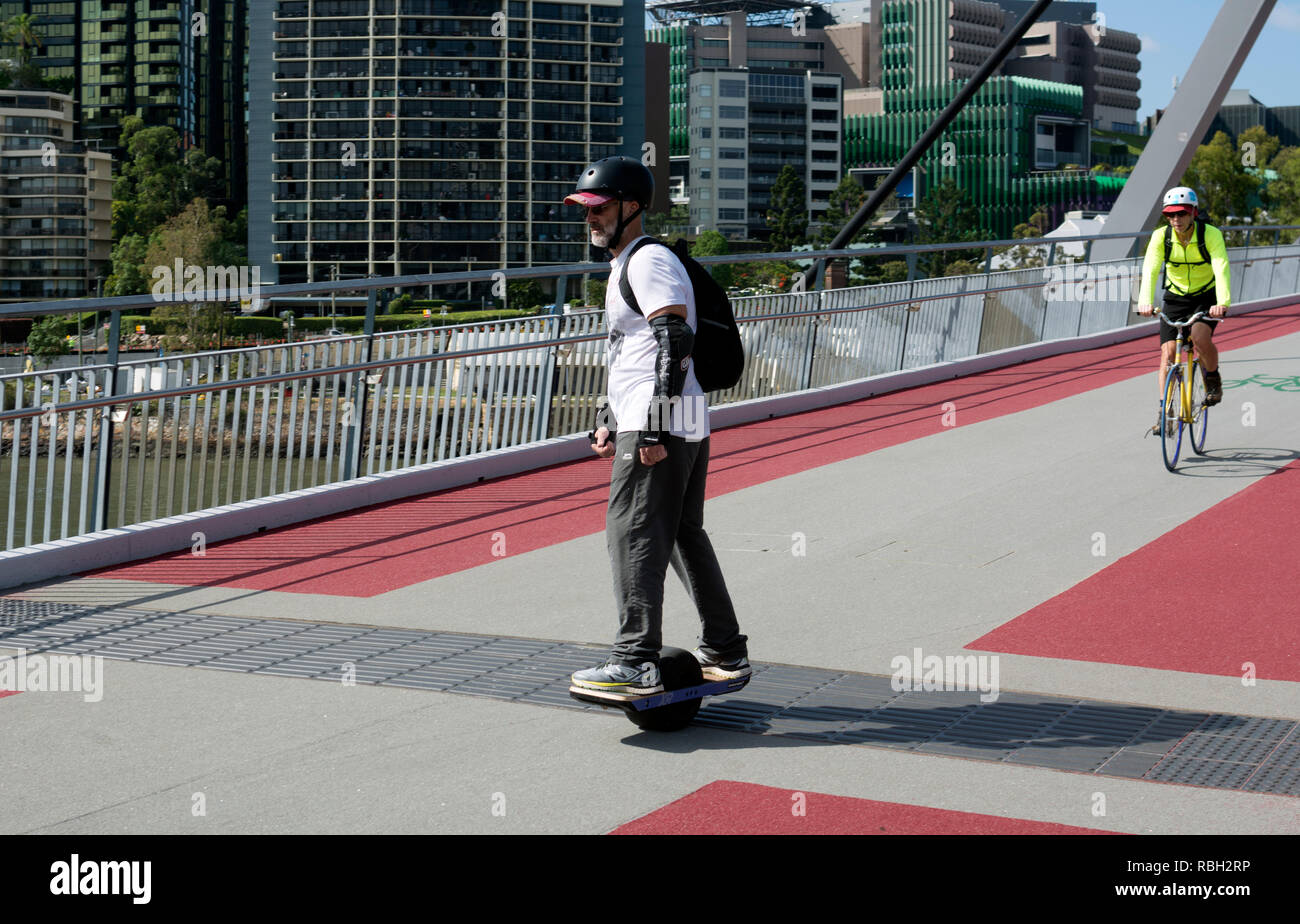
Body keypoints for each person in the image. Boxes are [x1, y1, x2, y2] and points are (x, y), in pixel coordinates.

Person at [565, 156, 749, 695]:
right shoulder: (629, 263)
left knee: (632, 529)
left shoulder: (647, 261)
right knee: (679, 534)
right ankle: (725, 649)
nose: (591, 218)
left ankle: (634, 659)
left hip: (663, 415)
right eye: (585, 210)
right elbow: (633, 352)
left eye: (599, 208)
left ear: (633, 207)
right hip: (676, 412)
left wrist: (650, 427)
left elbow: (675, 339)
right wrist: (610, 416)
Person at [1136, 187, 1231, 434]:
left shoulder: (1210, 234)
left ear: (1193, 213)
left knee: (1199, 338)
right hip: (1176, 297)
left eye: (1182, 214)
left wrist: (1223, 302)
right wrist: (1144, 301)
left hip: (1205, 297)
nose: (1175, 220)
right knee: (1167, 354)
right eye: (1170, 215)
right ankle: (1164, 411)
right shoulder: (1161, 237)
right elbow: (1150, 269)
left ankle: (1212, 377)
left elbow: (1220, 267)